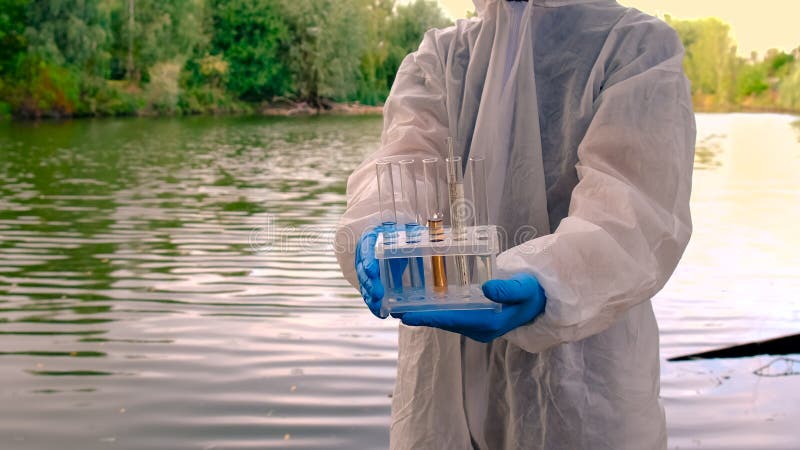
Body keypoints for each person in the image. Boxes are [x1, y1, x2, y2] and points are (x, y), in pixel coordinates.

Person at [334, 0, 695, 448]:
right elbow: (405, 162)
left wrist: (553, 282)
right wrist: (380, 228)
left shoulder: (635, 47)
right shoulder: (442, 55)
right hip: (442, 372)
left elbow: (635, 210)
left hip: (582, 382)